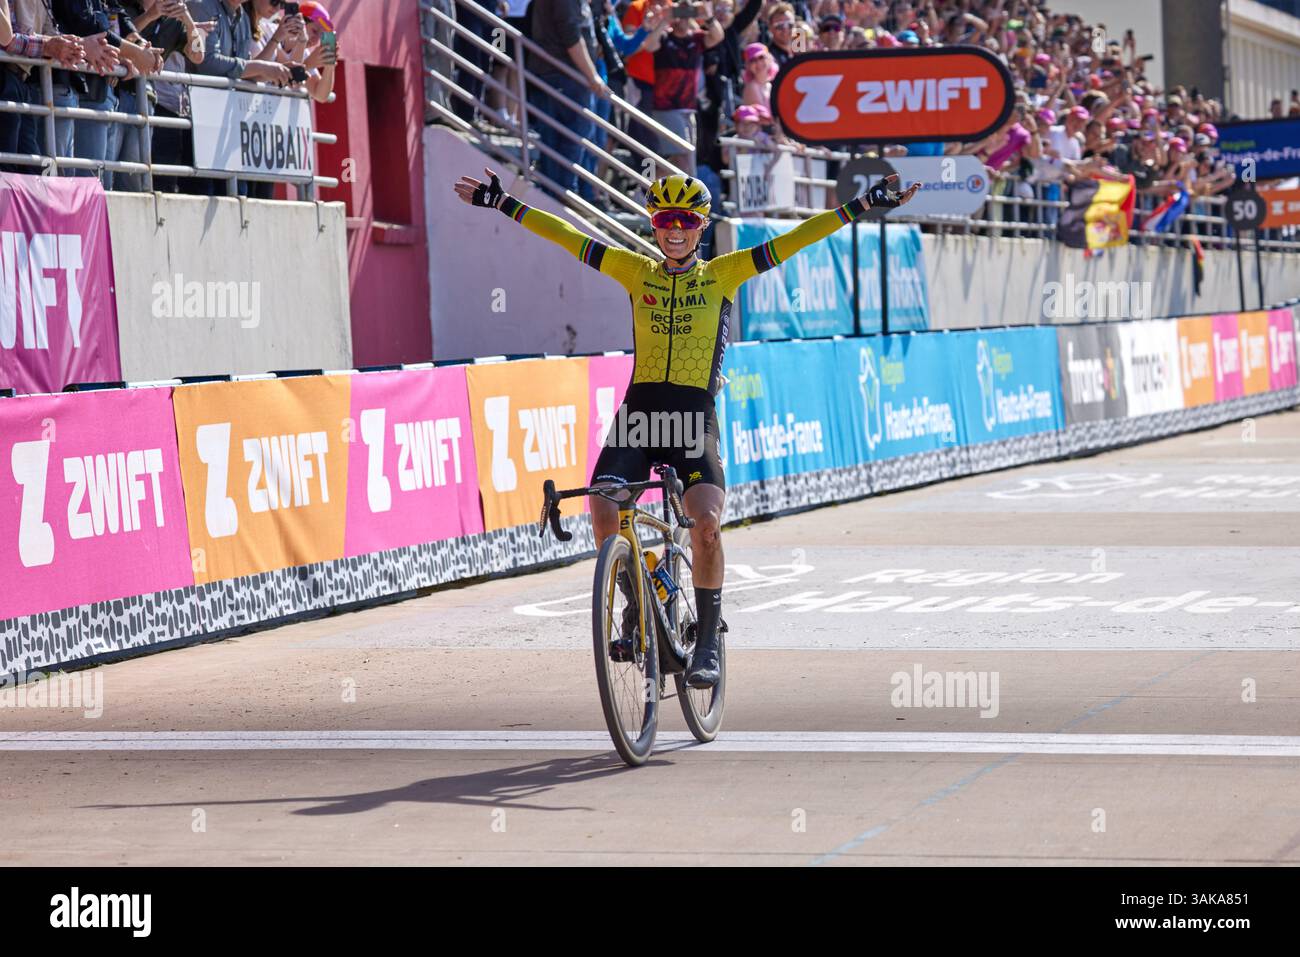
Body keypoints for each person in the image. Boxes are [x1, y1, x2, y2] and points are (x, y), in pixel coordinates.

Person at [452, 169, 919, 687]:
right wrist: (504, 204)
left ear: (702, 225)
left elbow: (795, 239)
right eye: (665, 219)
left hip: (692, 419)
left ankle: (708, 639)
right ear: (653, 223)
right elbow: (569, 237)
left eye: (687, 220)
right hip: (641, 415)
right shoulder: (636, 271)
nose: (675, 229)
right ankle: (636, 606)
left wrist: (862, 205)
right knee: (604, 509)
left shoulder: (723, 274)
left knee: (706, 526)